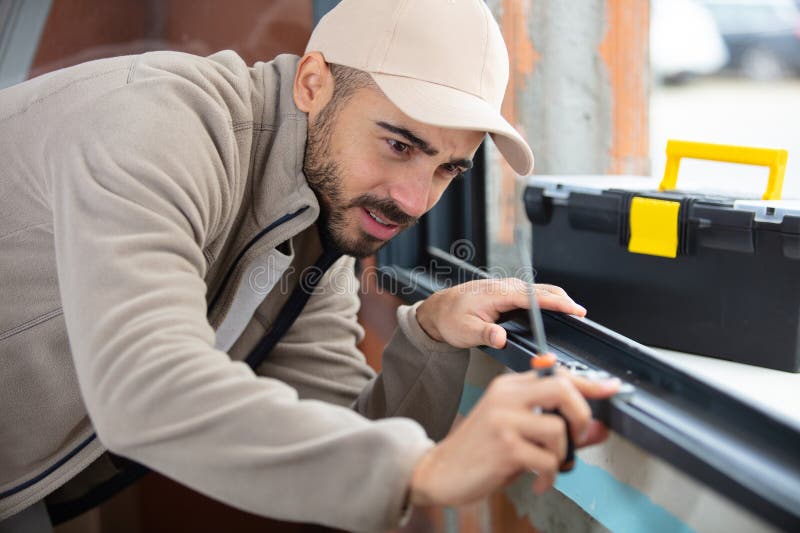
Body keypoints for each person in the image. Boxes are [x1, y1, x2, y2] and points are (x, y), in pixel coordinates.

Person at [0, 0, 619, 531]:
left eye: (447, 170)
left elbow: (345, 439)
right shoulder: (155, 127)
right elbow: (144, 388)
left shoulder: (310, 222)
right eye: (399, 145)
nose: (413, 201)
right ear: (313, 83)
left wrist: (429, 335)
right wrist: (421, 469)